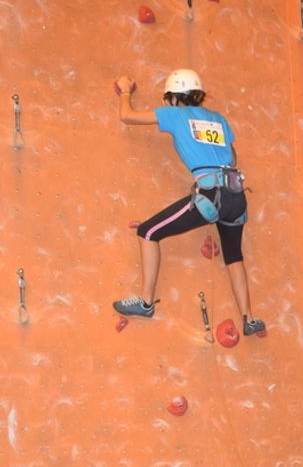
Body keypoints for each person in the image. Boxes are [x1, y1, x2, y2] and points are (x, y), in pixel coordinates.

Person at [111, 68, 266, 336]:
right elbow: (233, 157)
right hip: (235, 196)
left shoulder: (174, 114)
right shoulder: (218, 119)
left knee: (147, 232)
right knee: (233, 255)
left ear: (172, 97)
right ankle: (249, 320)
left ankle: (146, 304)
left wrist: (125, 90)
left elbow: (127, 116)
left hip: (210, 196)